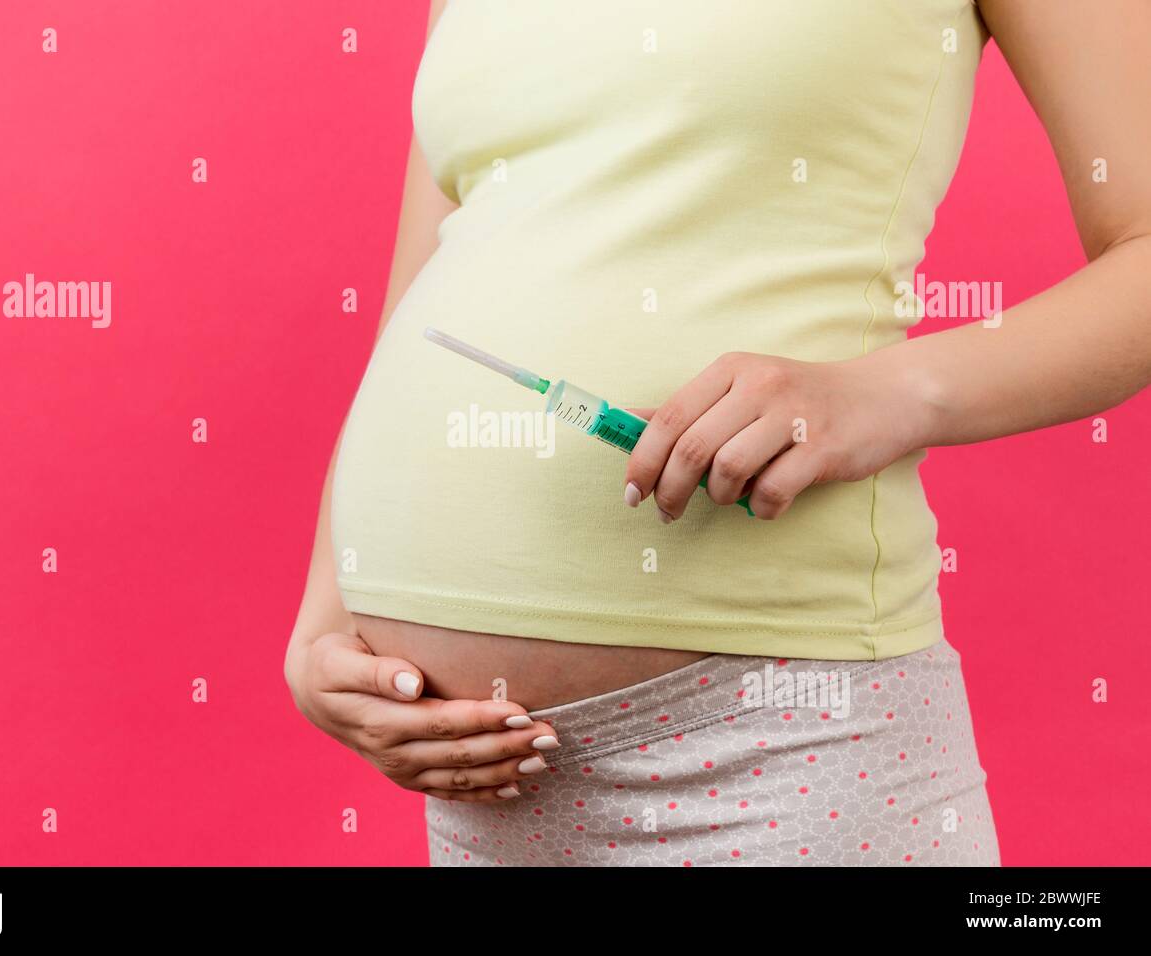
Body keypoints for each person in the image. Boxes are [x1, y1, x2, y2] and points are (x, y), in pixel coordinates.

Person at [286, 0, 1151, 866]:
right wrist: (324, 629)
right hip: (486, 794)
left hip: (776, 747)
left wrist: (885, 394)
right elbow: (426, 295)